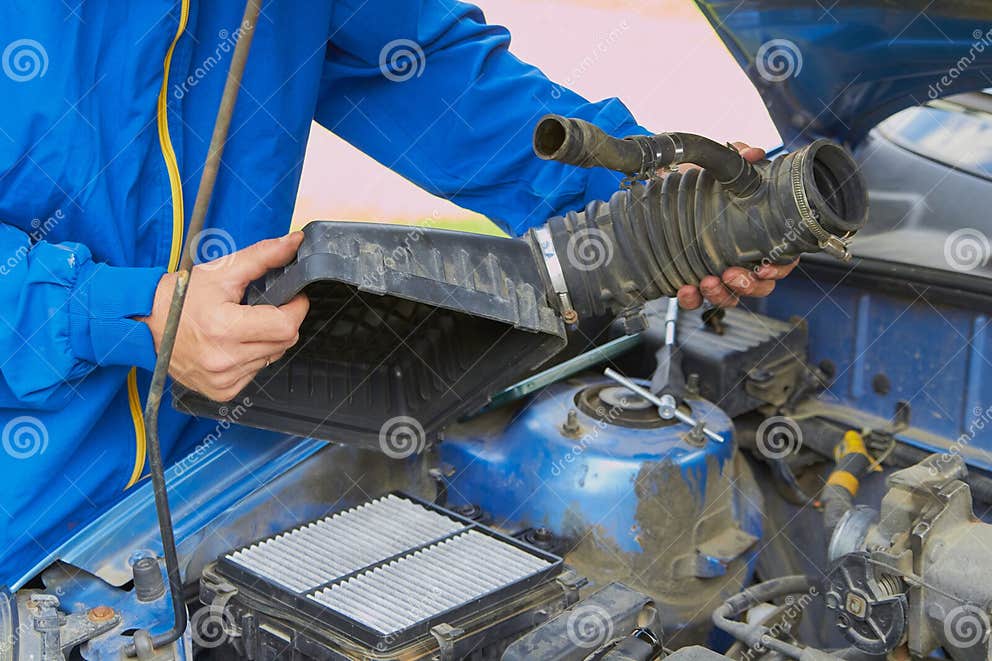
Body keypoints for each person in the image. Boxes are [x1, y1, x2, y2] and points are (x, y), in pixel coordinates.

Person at [0, 0, 794, 584]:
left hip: (211, 481)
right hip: (26, 521)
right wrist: (119, 315)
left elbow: (431, 70)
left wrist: (651, 202)